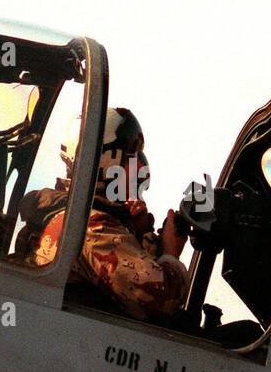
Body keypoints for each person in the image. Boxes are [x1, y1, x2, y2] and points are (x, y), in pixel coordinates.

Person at [17, 107, 189, 322]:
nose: (135, 169)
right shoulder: (88, 226)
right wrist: (171, 252)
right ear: (106, 160)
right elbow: (159, 299)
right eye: (130, 158)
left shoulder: (74, 215)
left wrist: (143, 232)